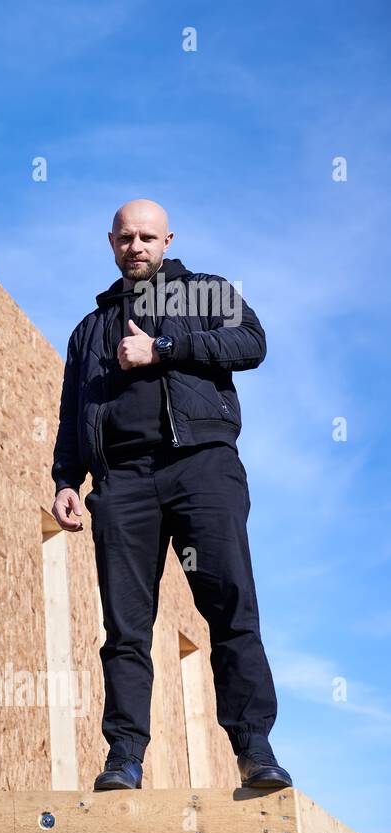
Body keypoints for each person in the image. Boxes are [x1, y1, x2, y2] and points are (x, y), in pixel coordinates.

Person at [50, 199, 291, 792]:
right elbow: (70, 413)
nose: (137, 246)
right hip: (123, 484)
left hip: (201, 467)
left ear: (168, 240)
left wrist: (163, 350)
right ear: (111, 242)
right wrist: (65, 480)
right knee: (125, 629)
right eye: (126, 237)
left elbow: (253, 343)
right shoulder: (88, 330)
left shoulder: (206, 293)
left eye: (148, 237)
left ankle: (255, 752)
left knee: (230, 608)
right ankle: (124, 758)